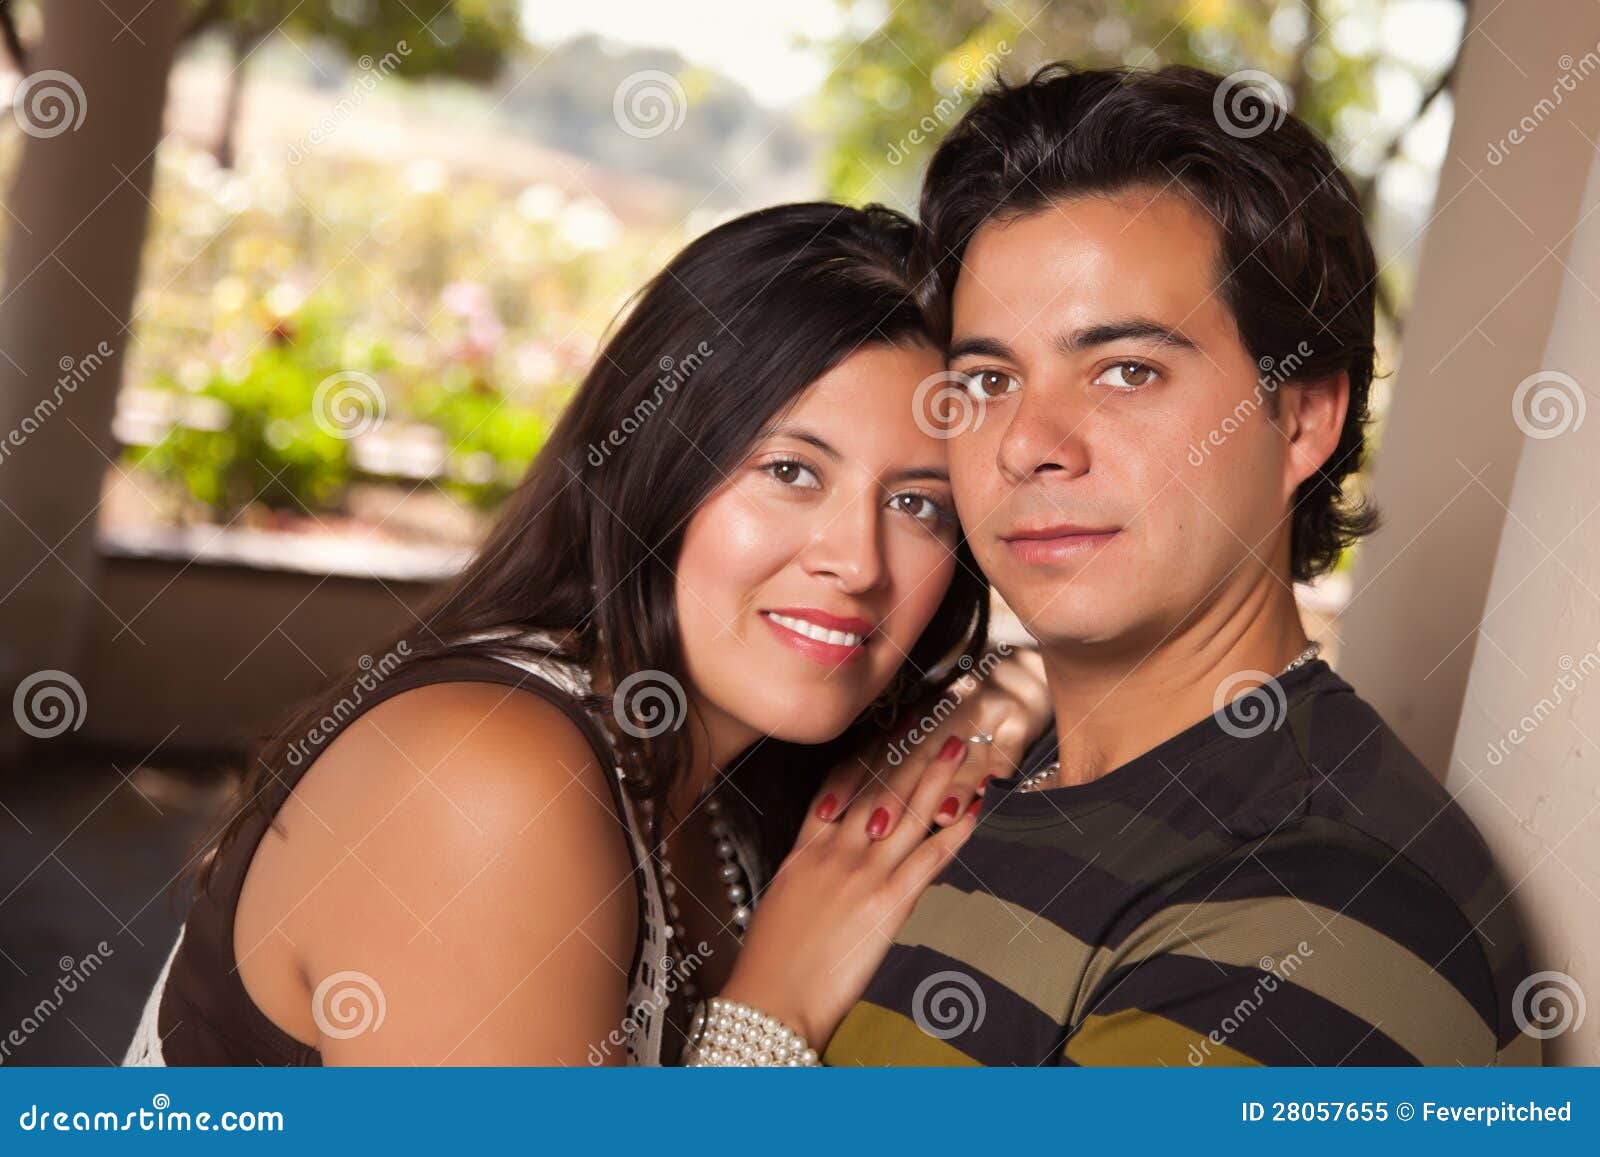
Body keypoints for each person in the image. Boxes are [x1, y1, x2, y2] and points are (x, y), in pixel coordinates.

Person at [122, 201, 1051, 1066]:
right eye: (791, 471)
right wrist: (772, 1013)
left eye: (920, 505)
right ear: (650, 461)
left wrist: (1026, 689)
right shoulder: (486, 775)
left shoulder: (725, 789)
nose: (858, 561)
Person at [823, 65, 1539, 1067]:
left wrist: (753, 1029)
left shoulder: (1313, 911)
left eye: (1125, 370)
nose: (1029, 441)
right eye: (987, 378)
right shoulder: (990, 772)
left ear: (1301, 417)